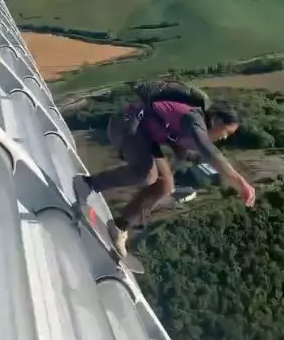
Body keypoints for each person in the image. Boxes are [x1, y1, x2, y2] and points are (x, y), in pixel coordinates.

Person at [78, 81, 256, 256]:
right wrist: (242, 184)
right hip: (126, 124)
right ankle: (89, 184)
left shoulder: (192, 127)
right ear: (216, 120)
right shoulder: (194, 120)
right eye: (225, 132)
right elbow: (212, 155)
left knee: (165, 185)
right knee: (147, 175)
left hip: (143, 136)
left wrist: (154, 197)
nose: (223, 138)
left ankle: (120, 226)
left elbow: (178, 155)